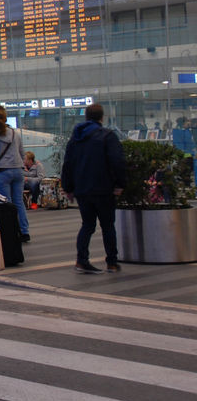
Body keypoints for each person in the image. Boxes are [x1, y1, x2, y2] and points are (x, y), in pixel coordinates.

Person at [62, 103, 128, 274]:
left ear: (86, 117)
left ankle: (81, 260)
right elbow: (117, 161)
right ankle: (112, 263)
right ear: (102, 117)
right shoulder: (107, 136)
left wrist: (68, 188)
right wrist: (120, 184)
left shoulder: (75, 138)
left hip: (82, 190)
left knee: (87, 225)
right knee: (108, 226)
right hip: (103, 188)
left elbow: (67, 163)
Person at [0, 105, 29, 243]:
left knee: (7, 204)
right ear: (5, 119)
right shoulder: (15, 134)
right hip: (18, 170)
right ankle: (24, 231)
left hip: (3, 172)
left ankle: (12, 232)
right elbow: (22, 152)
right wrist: (23, 166)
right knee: (19, 202)